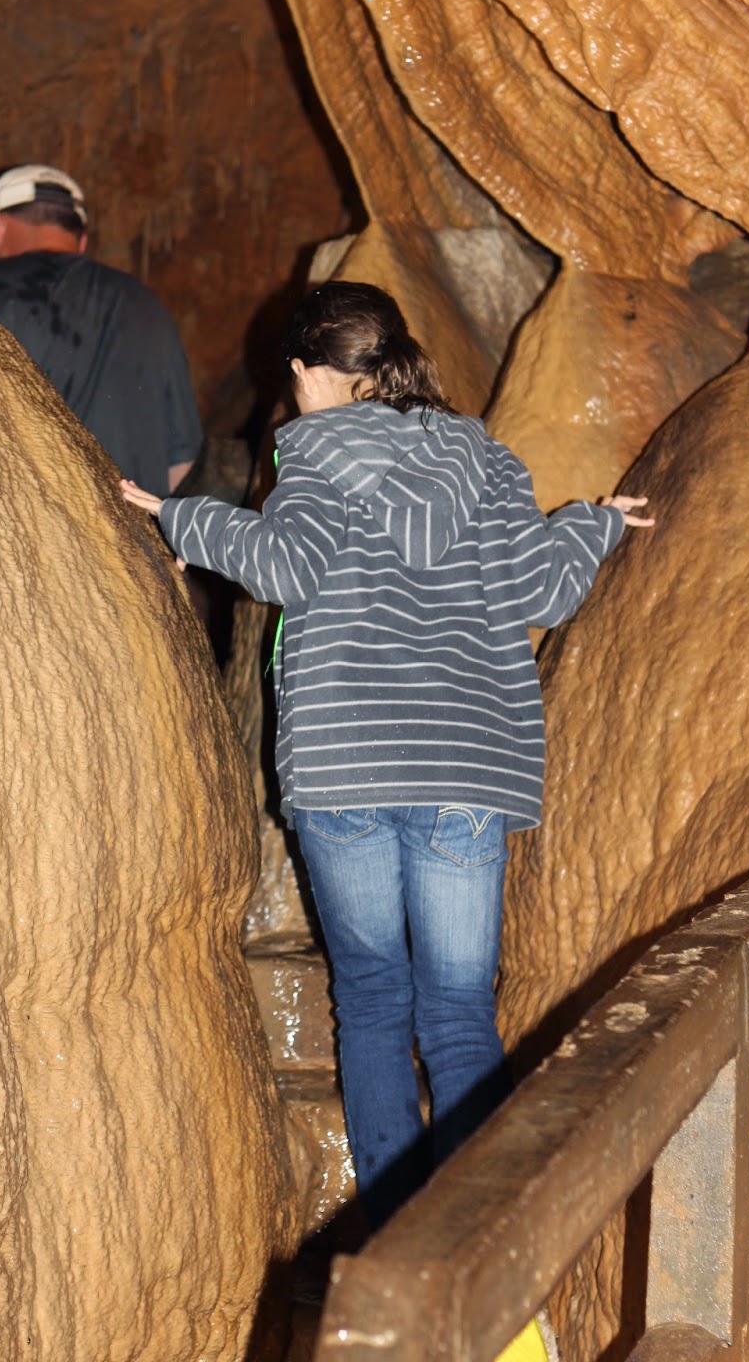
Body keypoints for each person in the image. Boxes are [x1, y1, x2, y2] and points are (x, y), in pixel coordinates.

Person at [122, 278, 653, 1227]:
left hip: (347, 768)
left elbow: (283, 568)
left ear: (309, 374)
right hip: (463, 771)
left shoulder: (316, 454)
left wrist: (179, 518)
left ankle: (391, 1228)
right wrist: (594, 522)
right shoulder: (483, 460)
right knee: (457, 1013)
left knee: (371, 996)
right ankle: (480, 1236)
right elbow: (545, 588)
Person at [0, 164, 202, 497]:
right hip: (131, 542)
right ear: (82, 240)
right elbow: (184, 467)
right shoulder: (144, 304)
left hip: (10, 534)